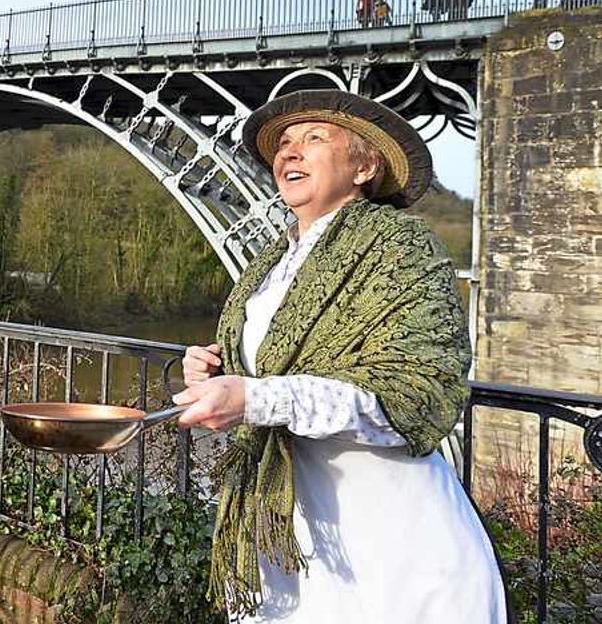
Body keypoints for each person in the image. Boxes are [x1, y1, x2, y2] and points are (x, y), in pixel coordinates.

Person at [172, 89, 507, 622]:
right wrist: (219, 369)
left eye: (314, 138)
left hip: (389, 551)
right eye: (284, 143)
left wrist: (258, 397)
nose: (290, 152)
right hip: (289, 535)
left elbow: (418, 394)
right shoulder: (272, 264)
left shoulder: (400, 248)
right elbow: (268, 372)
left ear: (364, 166)